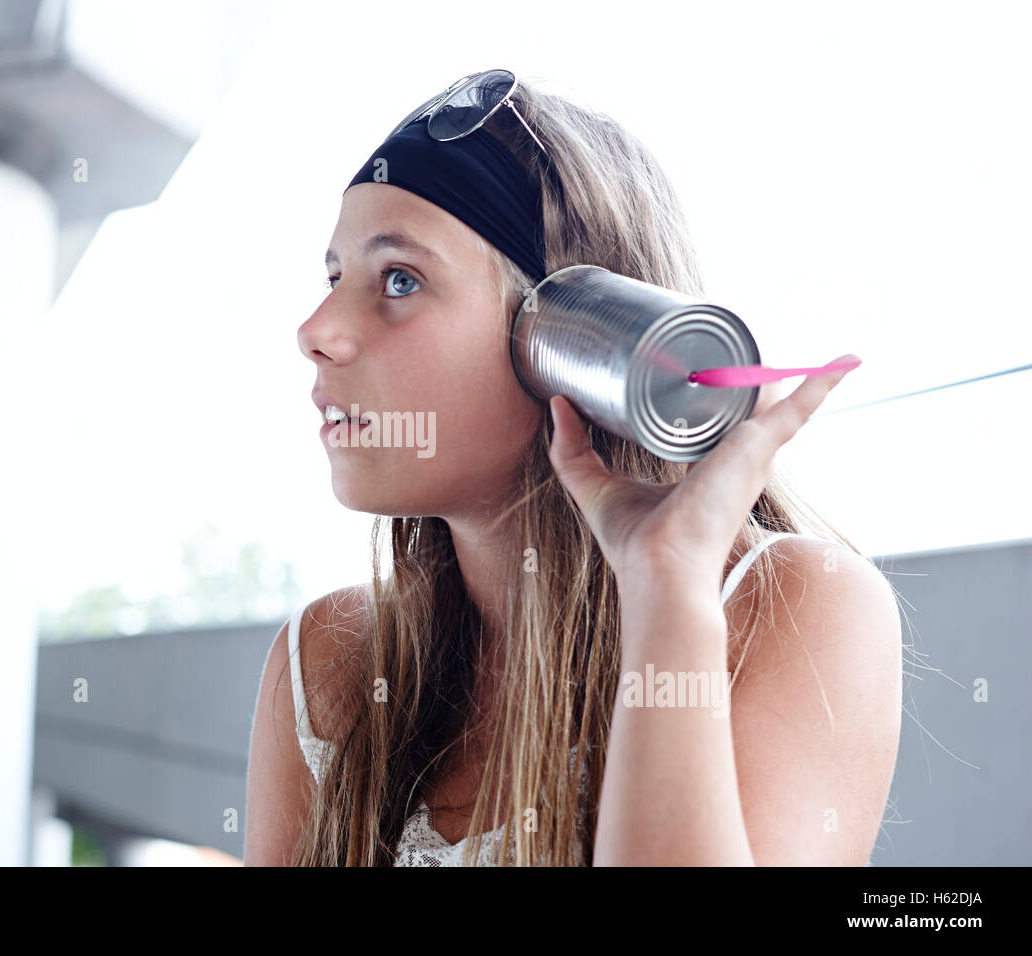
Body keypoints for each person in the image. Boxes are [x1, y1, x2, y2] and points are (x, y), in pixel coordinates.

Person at [244, 71, 903, 866]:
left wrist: (667, 591)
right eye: (332, 278)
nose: (316, 331)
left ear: (566, 335)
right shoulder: (325, 668)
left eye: (399, 280)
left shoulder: (797, 609)